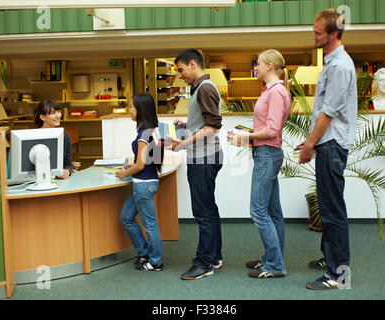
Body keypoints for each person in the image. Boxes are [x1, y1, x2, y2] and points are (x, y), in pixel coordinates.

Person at [298, 9, 357, 290]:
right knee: (329, 206)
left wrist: (310, 143)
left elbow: (328, 114)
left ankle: (338, 276)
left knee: (333, 211)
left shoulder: (339, 66)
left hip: (332, 144)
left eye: (318, 32)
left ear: (334, 34)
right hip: (328, 143)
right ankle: (329, 258)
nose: (314, 35)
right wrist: (312, 141)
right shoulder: (332, 62)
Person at [227, 49, 291, 279]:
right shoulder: (274, 90)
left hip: (267, 154)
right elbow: (272, 128)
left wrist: (245, 137)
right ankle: (273, 259)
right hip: (268, 153)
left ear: (270, 67)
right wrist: (247, 136)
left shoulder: (275, 92)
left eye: (259, 64)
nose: (255, 67)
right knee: (273, 211)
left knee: (258, 211)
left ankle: (274, 266)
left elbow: (272, 130)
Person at [166, 49, 223, 280]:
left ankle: (205, 263)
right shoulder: (200, 88)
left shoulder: (205, 88)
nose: (179, 75)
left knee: (203, 212)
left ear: (192, 64)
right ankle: (214, 256)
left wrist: (184, 143)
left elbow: (213, 126)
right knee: (209, 208)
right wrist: (188, 123)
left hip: (203, 158)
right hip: (205, 156)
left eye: (180, 69)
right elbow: (205, 121)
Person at [116, 93, 165, 271]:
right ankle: (144, 252)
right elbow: (151, 159)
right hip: (147, 181)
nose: (129, 110)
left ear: (140, 109)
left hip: (143, 184)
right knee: (126, 217)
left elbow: (140, 165)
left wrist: (124, 173)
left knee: (150, 224)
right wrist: (135, 163)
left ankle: (155, 261)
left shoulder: (145, 133)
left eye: (131, 106)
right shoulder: (154, 130)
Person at [34, 99, 72, 179]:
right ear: (42, 117)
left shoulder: (65, 136)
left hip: (58, 181)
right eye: (53, 113)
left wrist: (67, 171)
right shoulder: (33, 137)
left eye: (58, 112)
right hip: (37, 180)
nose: (58, 115)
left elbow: (68, 163)